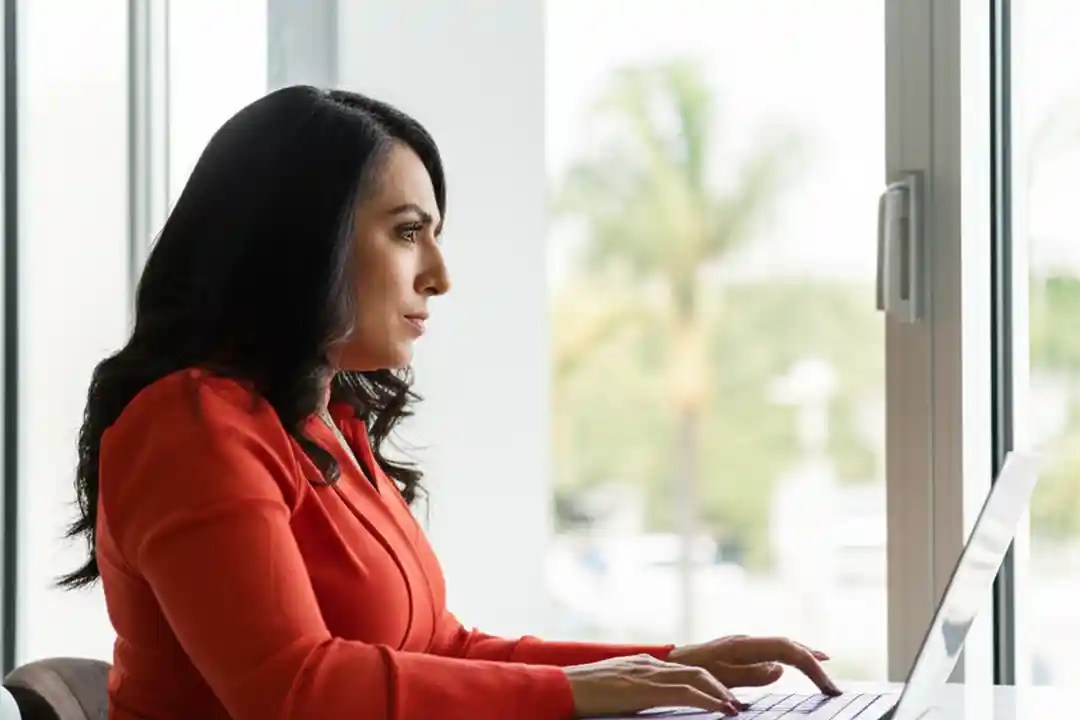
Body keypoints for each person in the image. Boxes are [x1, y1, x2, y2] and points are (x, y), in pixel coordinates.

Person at [59, 86, 840, 720]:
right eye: (407, 233)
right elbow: (292, 692)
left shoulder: (326, 427)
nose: (439, 274)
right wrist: (578, 693)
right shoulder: (191, 425)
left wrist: (662, 666)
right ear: (304, 241)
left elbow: (440, 647)